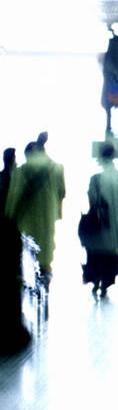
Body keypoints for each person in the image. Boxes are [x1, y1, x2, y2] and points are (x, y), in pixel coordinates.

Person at [5, 136, 66, 288]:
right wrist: (58, 213)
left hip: (27, 220)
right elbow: (62, 193)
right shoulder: (57, 168)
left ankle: (29, 280)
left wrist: (10, 214)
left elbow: (14, 196)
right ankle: (45, 276)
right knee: (46, 251)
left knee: (28, 251)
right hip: (48, 218)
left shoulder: (22, 171)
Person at [81, 142, 118, 298]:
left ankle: (96, 280)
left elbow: (92, 199)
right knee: (111, 254)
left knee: (96, 253)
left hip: (98, 222)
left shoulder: (95, 179)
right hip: (116, 221)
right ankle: (106, 283)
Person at [0, 146, 31, 353]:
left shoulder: (3, 178)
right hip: (10, 232)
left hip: (4, 232)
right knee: (11, 279)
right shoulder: (16, 178)